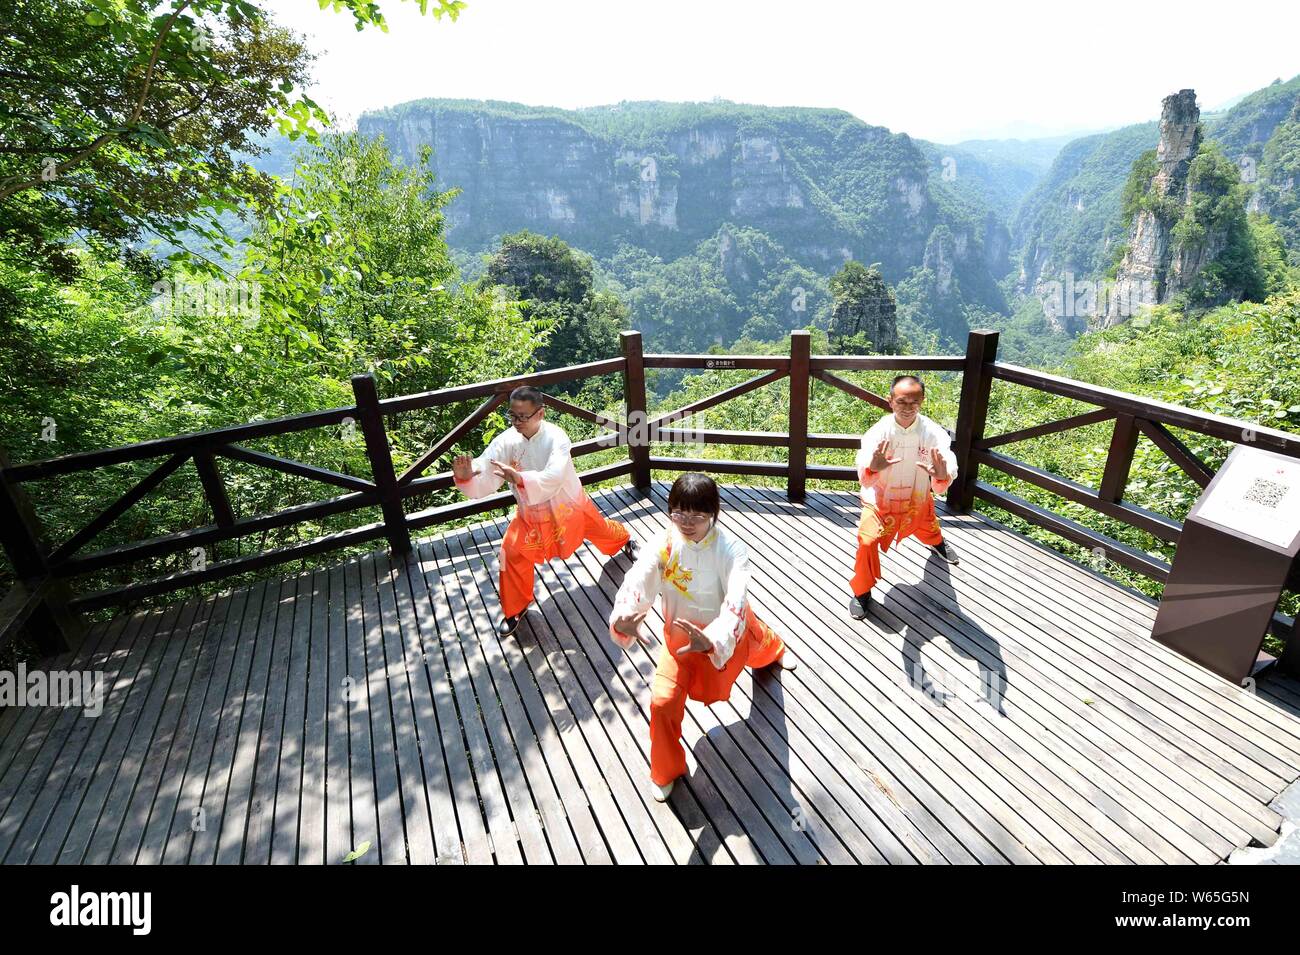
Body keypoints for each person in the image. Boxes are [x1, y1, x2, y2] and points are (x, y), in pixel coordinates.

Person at [608, 472, 797, 802]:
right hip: (680, 642)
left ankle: (776, 647)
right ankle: (665, 770)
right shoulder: (665, 544)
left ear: (714, 513)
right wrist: (623, 614)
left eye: (697, 514)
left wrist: (713, 640)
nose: (686, 522)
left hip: (726, 632)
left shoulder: (730, 549)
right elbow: (639, 577)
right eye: (679, 512)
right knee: (662, 703)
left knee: (760, 645)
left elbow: (737, 598)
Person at [453, 385, 637, 636]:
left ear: (541, 413)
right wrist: (466, 477)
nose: (516, 422)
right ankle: (515, 608)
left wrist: (519, 478)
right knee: (511, 553)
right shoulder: (506, 441)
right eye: (512, 415)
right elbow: (485, 467)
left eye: (523, 416)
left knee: (601, 530)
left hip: (568, 506)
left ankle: (625, 539)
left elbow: (554, 476)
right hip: (530, 513)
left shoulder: (557, 437)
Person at [848, 374, 960, 621]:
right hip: (880, 499)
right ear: (890, 401)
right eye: (902, 402)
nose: (908, 408)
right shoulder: (880, 430)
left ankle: (938, 543)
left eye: (914, 402)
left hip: (915, 494)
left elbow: (946, 455)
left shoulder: (931, 431)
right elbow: (864, 457)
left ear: (922, 401)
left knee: (926, 523)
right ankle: (861, 591)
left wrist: (944, 473)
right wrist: (873, 466)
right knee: (867, 543)